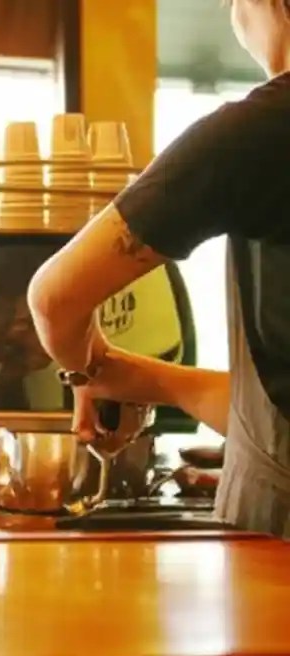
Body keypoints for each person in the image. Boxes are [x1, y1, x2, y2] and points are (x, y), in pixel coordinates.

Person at [26, 0, 290, 537]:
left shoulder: (258, 133)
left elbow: (54, 298)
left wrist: (82, 367)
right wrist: (132, 377)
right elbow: (270, 421)